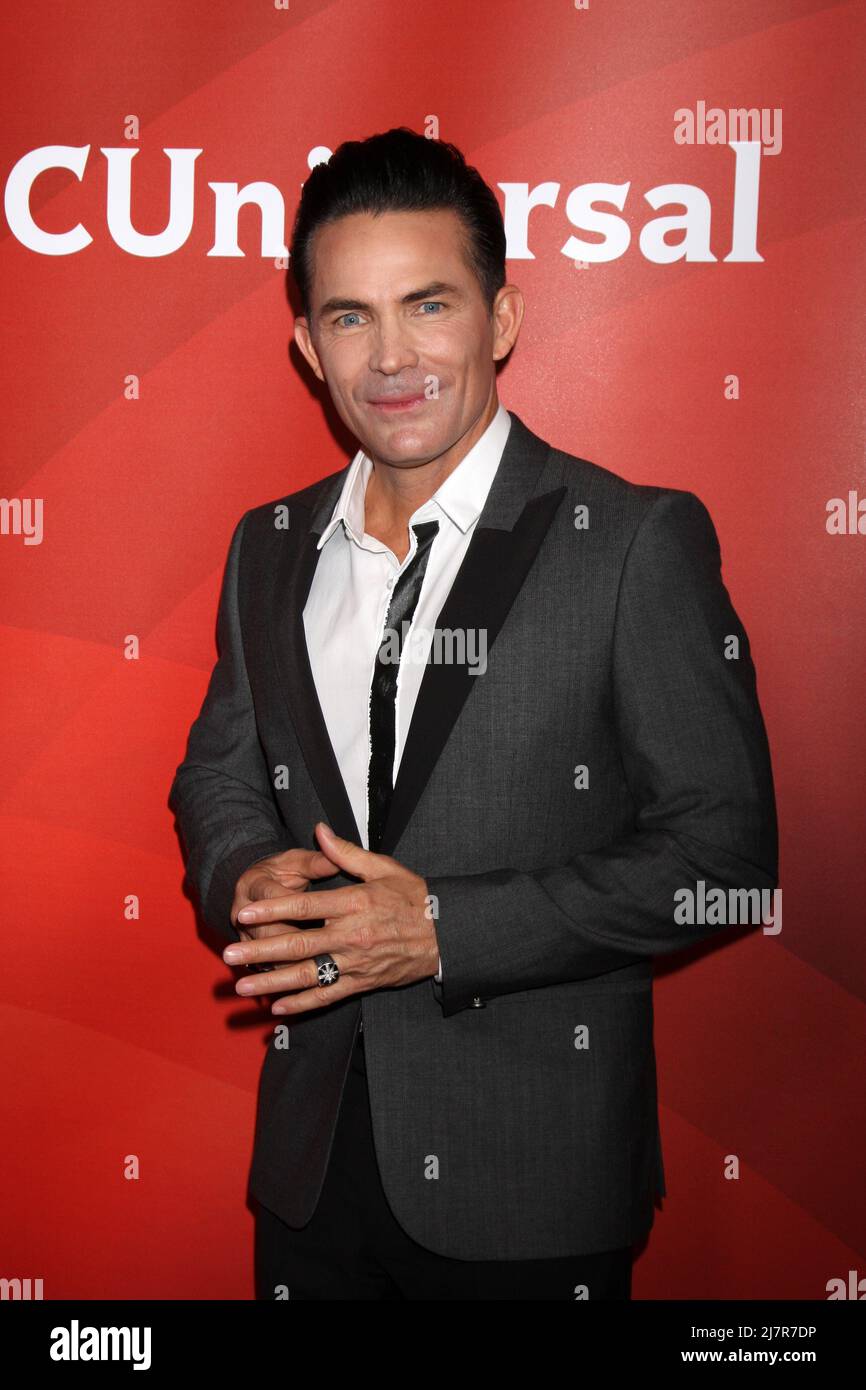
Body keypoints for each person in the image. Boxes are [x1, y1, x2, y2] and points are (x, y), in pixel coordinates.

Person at [168, 127, 778, 1301]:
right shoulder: (272, 543)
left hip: (529, 1185)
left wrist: (445, 929)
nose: (390, 358)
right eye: (348, 317)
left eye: (427, 305)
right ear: (305, 346)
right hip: (309, 1172)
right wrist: (243, 872)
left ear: (498, 321)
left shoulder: (630, 540)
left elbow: (726, 853)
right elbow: (220, 772)